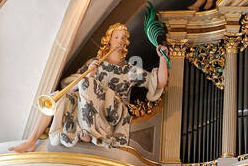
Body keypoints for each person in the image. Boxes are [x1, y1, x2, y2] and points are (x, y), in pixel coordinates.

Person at [11, 22, 168, 153]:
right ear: (110, 40)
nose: (120, 40)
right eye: (117, 37)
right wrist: (90, 72)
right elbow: (70, 84)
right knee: (59, 96)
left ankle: (88, 132)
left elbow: (159, 83)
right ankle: (31, 140)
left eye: (123, 38)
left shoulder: (130, 70)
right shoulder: (95, 63)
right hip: (91, 105)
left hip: (112, 110)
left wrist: (162, 59)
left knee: (88, 83)